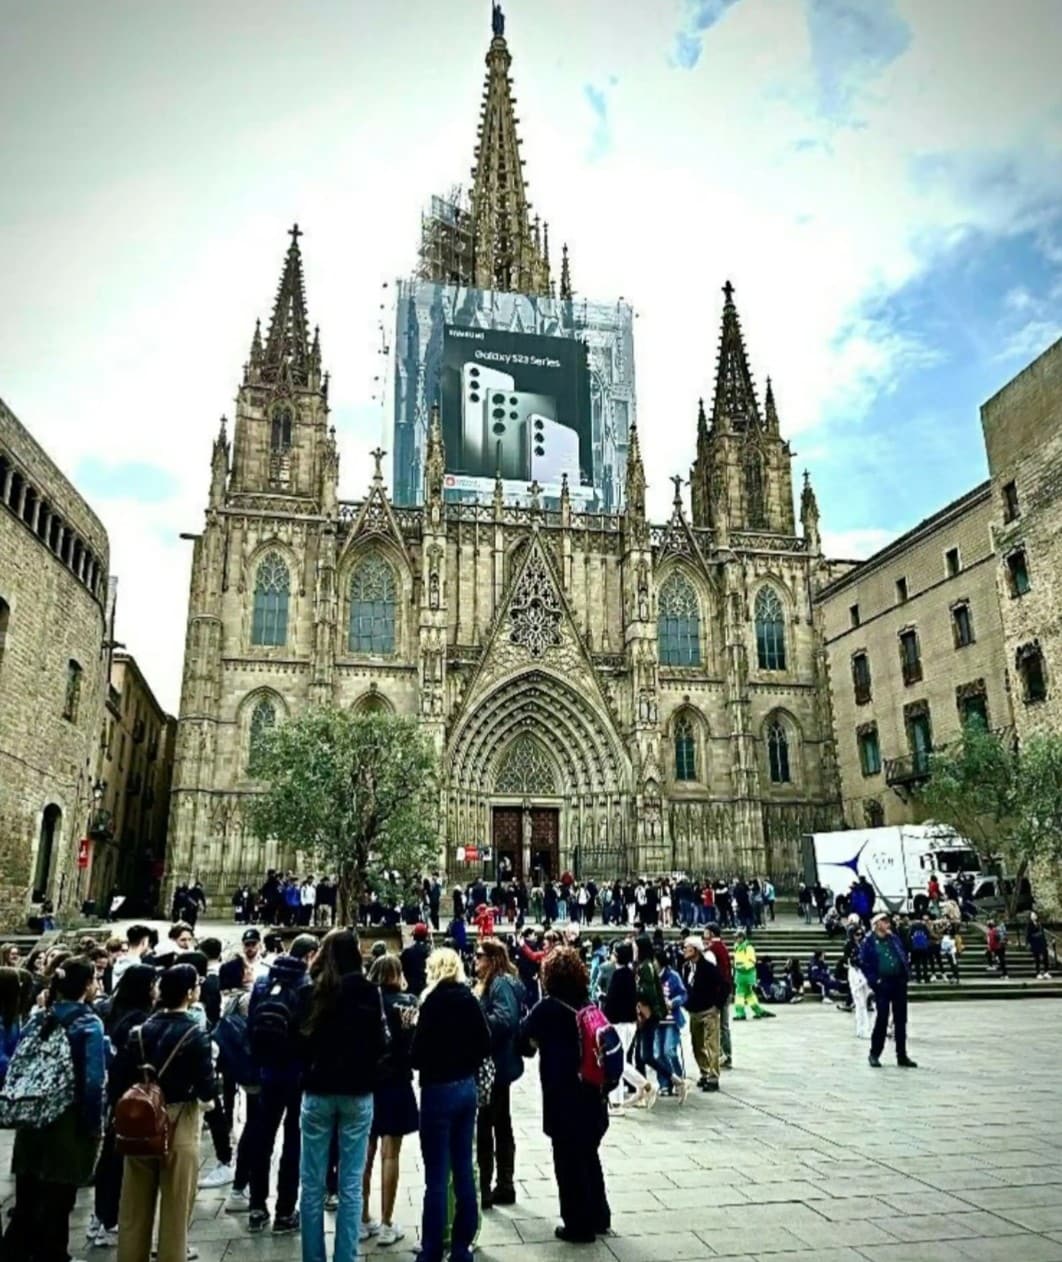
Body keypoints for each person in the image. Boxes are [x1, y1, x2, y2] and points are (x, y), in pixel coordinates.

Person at [2, 957, 106, 1262]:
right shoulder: (89, 1023)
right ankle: (53, 1255)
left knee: (27, 1196)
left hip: (32, 1115)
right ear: (87, 986)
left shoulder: (38, 1018)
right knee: (59, 1198)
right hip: (66, 1120)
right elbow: (93, 1081)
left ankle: (16, 1252)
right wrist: (93, 1126)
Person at [299, 928, 389, 1262]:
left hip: (318, 1092)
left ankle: (313, 1257)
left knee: (311, 1186)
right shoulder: (368, 991)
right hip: (356, 1092)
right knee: (351, 1186)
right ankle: (345, 1257)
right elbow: (381, 1043)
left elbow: (299, 1043)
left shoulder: (313, 990)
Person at [116, 963, 215, 1262]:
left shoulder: (139, 1032)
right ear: (189, 993)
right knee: (176, 1206)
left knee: (133, 1207)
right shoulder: (195, 1034)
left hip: (139, 1116)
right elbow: (206, 1088)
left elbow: (119, 1076)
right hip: (179, 1116)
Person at [520, 946, 611, 1242]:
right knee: (589, 1155)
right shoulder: (588, 1002)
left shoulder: (547, 1007)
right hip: (592, 1093)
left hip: (563, 1095)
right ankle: (599, 1216)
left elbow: (523, 1041)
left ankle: (578, 1225)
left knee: (568, 1163)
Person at [409, 947, 490, 1262]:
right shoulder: (468, 1000)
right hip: (465, 1089)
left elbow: (416, 1056)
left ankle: (431, 1248)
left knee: (437, 1177)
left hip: (437, 1091)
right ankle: (461, 1247)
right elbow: (484, 1043)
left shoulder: (431, 1004)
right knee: (463, 1170)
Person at [246, 933, 316, 1235]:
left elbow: (251, 1025)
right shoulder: (307, 987)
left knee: (262, 1138)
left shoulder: (262, 982)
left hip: (267, 1070)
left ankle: (257, 1206)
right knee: (293, 1141)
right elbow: (311, 1033)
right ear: (310, 955)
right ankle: (285, 1211)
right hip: (297, 1073)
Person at [89, 962, 159, 1249]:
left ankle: (100, 1217)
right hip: (131, 1096)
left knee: (110, 1156)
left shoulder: (109, 1009)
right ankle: (108, 1220)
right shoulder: (139, 1021)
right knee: (120, 1160)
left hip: (115, 1094)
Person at [360, 954, 419, 1248]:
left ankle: (361, 1218)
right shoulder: (407, 1001)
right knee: (390, 1154)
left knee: (364, 1153)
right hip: (396, 1080)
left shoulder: (365, 1000)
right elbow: (415, 1042)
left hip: (367, 1082)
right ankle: (386, 1222)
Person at [474, 938, 523, 1208]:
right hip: (499, 1065)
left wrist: (476, 1018)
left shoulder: (500, 983)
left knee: (489, 1126)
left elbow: (504, 1020)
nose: (475, 960)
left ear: (492, 959)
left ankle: (492, 1185)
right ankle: (502, 1184)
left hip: (495, 1067)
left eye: (480, 955)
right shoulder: (500, 982)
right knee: (499, 1124)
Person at [860, 913, 917, 1069]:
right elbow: (864, 964)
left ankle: (902, 1055)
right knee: (882, 1018)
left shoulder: (894, 938)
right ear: (877, 924)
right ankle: (874, 1053)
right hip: (882, 983)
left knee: (900, 1020)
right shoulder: (869, 942)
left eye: (888, 921)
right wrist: (875, 981)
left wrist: (905, 974)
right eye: (884, 922)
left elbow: (904, 953)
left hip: (898, 982)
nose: (888, 924)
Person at [602, 941, 653, 1111]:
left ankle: (642, 1088)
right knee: (619, 1061)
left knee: (617, 1062)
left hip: (620, 1023)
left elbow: (612, 1001)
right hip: (627, 1022)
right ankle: (620, 1099)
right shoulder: (628, 974)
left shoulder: (620, 975)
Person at [681, 936, 725, 1092]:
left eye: (687, 948)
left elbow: (725, 984)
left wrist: (717, 1005)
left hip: (708, 1011)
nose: (684, 950)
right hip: (694, 1011)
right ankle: (704, 1071)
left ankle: (713, 1077)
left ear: (696, 950)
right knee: (697, 1044)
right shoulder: (686, 967)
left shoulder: (708, 968)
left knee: (711, 1044)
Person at [733, 928, 773, 1020]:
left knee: (740, 994)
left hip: (746, 974)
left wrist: (743, 967)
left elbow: (752, 961)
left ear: (742, 938)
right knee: (749, 994)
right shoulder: (736, 947)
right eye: (736, 938)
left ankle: (740, 1013)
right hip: (740, 974)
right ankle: (758, 1010)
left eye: (738, 937)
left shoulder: (748, 948)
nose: (736, 939)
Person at [401, 923, 432, 997]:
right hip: (425, 987)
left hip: (410, 988)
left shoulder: (407, 952)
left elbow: (402, 968)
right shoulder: (430, 952)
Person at [1027, 912, 1052, 979]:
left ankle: (1046, 972)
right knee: (1037, 959)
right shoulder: (1030, 925)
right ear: (1030, 917)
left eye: (1035, 915)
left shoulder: (1039, 924)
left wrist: (1046, 943)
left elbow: (1043, 933)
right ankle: (1038, 973)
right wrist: (1029, 943)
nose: (1034, 916)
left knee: (1045, 957)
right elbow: (1029, 935)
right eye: (1032, 915)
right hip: (1035, 943)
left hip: (1042, 942)